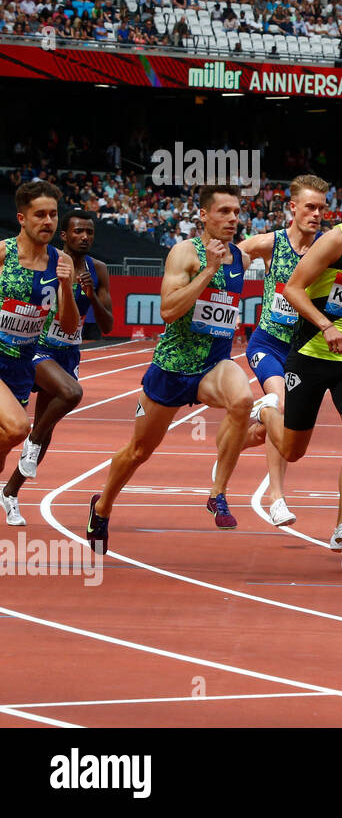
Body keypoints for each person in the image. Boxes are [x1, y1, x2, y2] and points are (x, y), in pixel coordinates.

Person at [87, 185, 257, 552]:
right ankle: (101, 507)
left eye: (236, 212)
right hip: (172, 368)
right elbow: (168, 310)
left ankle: (218, 493)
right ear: (204, 216)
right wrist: (209, 270)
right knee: (138, 451)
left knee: (243, 399)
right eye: (224, 211)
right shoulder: (185, 254)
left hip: (214, 364)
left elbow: (283, 242)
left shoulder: (241, 258)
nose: (232, 219)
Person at [252, 168, 342, 555]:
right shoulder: (334, 242)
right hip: (310, 356)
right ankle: (268, 410)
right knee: (292, 451)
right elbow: (293, 288)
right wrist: (324, 325)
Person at [1, 209, 113, 526]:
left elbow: (108, 324)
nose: (84, 237)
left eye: (89, 232)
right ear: (64, 235)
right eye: (78, 231)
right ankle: (31, 444)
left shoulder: (98, 269)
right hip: (36, 347)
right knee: (70, 393)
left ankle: (10, 493)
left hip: (67, 353)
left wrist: (91, 293)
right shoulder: (49, 261)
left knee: (45, 428)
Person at [235, 174, 328, 528]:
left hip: (302, 352)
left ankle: (230, 445)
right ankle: (277, 500)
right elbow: (237, 253)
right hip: (268, 344)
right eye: (310, 207)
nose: (316, 214)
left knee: (268, 430)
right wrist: (235, 270)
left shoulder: (327, 248)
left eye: (321, 208)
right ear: (293, 208)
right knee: (283, 407)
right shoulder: (271, 243)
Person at [0, 184, 82, 528]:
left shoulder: (61, 263)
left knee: (3, 446)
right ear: (22, 218)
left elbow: (69, 324)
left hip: (22, 362)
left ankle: (8, 490)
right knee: (19, 428)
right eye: (40, 215)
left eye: (53, 214)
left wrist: (66, 285)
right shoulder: (3, 254)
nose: (48, 221)